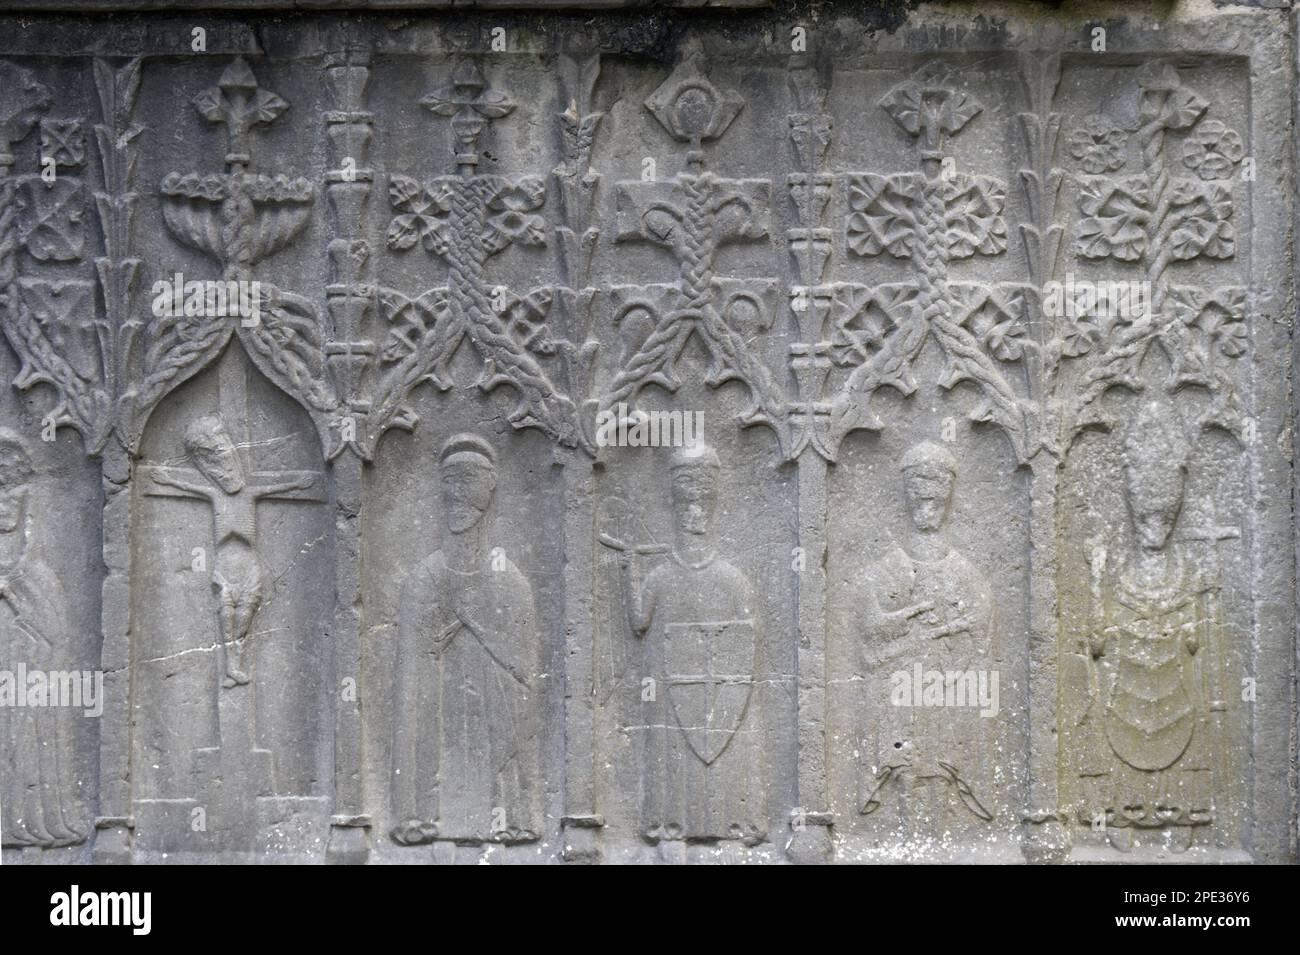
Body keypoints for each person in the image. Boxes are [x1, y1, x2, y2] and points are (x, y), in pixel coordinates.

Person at [391, 434, 541, 845]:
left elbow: (523, 675)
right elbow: (410, 685)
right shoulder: (424, 580)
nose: (459, 492)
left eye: (470, 479)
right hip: (440, 724)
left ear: (490, 487)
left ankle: (510, 813)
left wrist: (485, 640)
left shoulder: (511, 583)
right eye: (451, 480)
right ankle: (422, 814)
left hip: (491, 722)